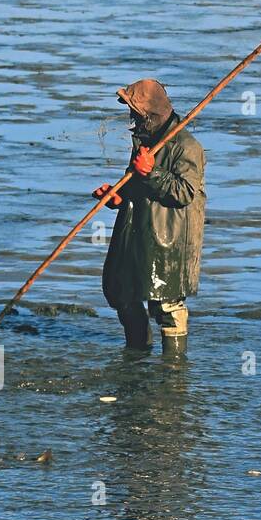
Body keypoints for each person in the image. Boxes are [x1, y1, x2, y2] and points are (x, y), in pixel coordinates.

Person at [94, 79, 206, 352]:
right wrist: (118, 197)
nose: (131, 117)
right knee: (122, 292)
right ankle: (137, 352)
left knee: (166, 303)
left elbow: (184, 193)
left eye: (135, 111)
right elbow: (135, 185)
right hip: (135, 232)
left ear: (149, 113)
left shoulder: (186, 146)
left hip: (169, 239)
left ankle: (174, 370)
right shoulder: (146, 140)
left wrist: (151, 172)